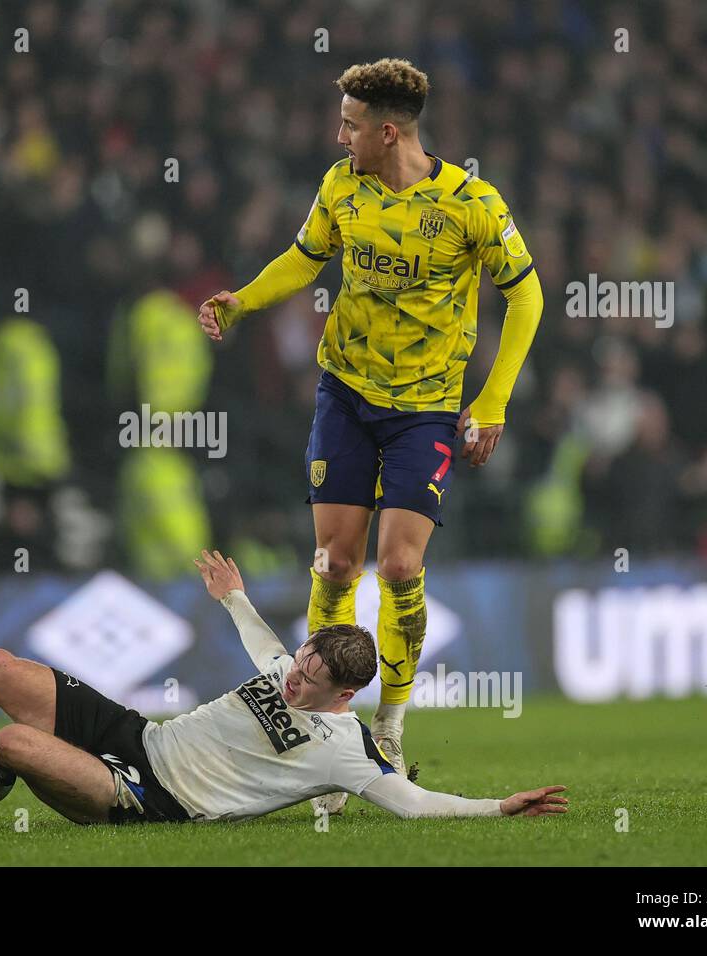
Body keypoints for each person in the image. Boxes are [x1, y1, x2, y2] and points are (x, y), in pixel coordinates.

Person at [196, 59, 544, 812]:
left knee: (398, 566)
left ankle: (388, 724)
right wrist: (244, 299)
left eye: (351, 124)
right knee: (333, 565)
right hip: (346, 394)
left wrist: (493, 401)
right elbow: (304, 257)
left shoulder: (470, 203)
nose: (340, 134)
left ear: (388, 132)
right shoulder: (340, 186)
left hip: (425, 409)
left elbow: (528, 296)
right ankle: (326, 731)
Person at [0, 550, 567, 829]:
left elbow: (414, 803)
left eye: (309, 682)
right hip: (136, 736)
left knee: (11, 746)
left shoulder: (344, 752)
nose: (290, 678)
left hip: (148, 798)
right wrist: (233, 597)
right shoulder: (290, 672)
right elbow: (267, 648)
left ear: (341, 702)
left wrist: (498, 806)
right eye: (297, 663)